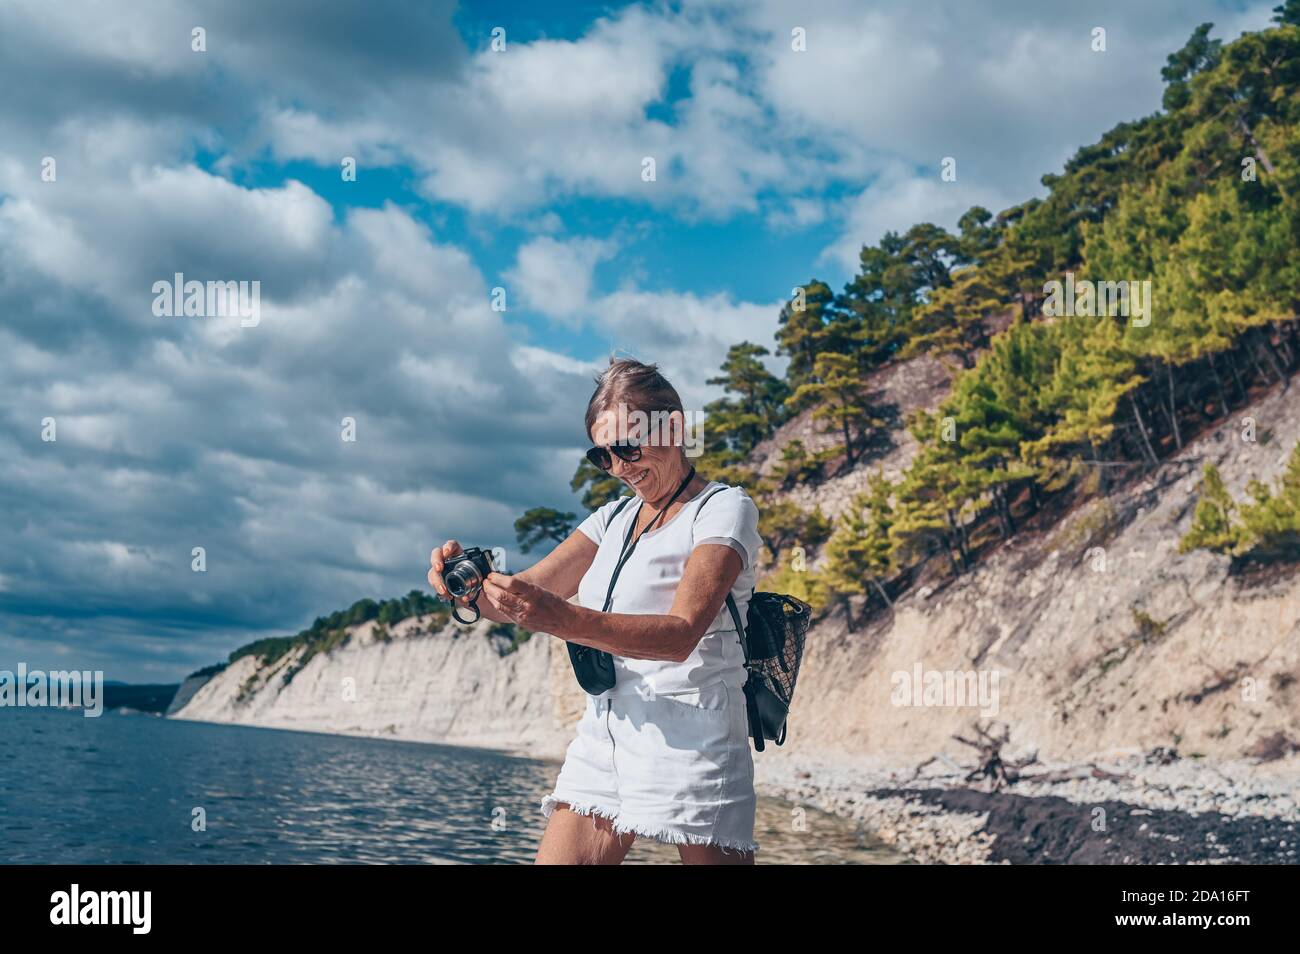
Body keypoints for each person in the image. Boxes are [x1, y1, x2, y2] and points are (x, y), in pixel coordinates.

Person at [429, 358, 762, 864]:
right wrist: (467, 589)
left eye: (628, 447)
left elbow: (680, 635)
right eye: (602, 456)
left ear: (674, 428)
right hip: (607, 731)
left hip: (696, 738)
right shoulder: (612, 517)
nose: (620, 467)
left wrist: (560, 618)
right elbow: (529, 593)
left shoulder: (723, 508)